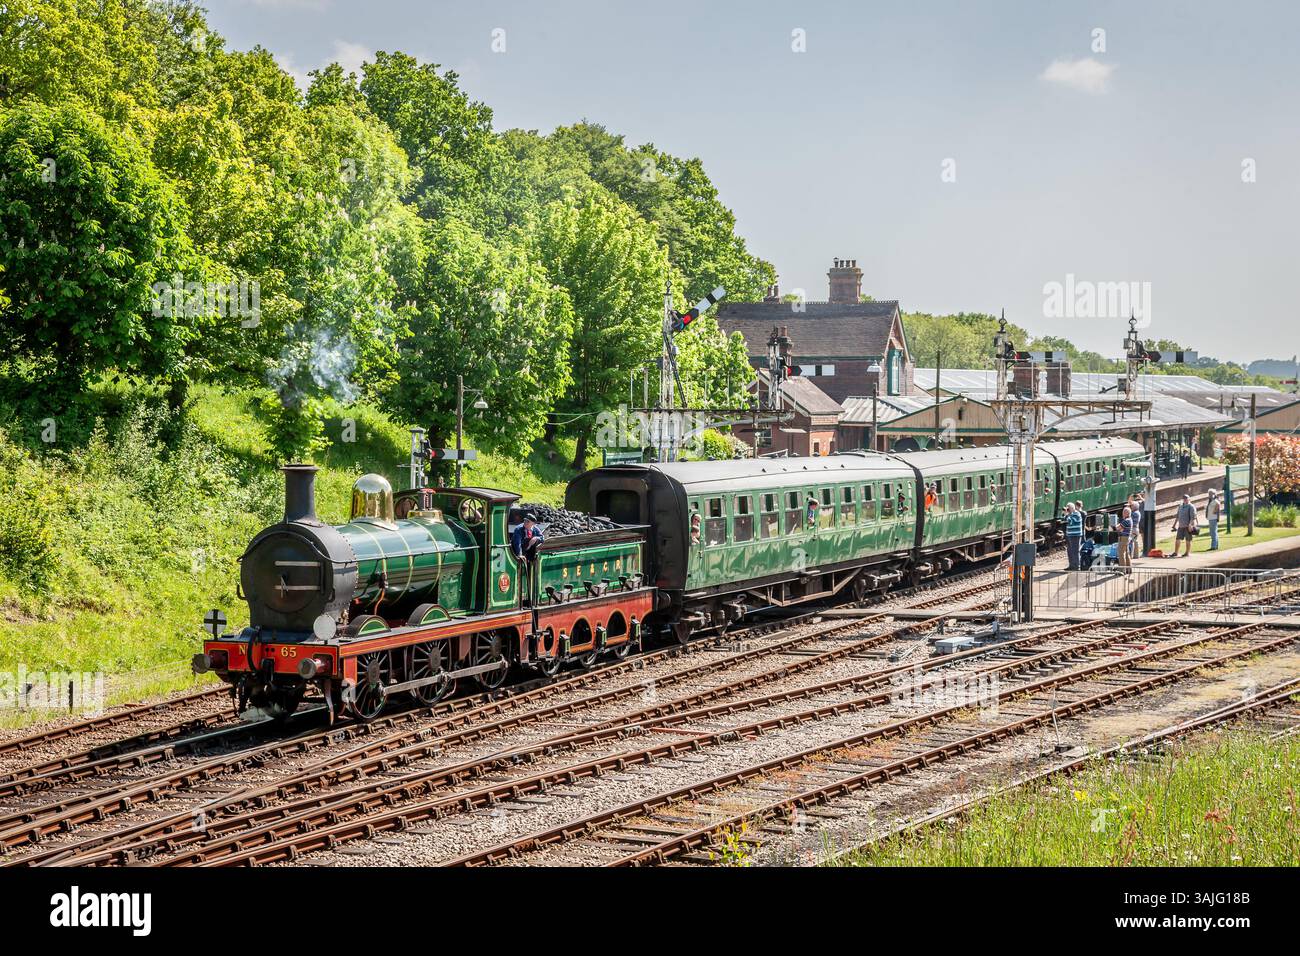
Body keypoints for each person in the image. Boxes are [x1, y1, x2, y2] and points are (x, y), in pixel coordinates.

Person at [1170, 493, 1198, 558]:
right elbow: (1177, 516)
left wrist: (1190, 525)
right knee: (1177, 539)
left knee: (1188, 540)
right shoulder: (1180, 506)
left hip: (1187, 526)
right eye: (1184, 498)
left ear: (1189, 499)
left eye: (1186, 498)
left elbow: (1193, 517)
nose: (1185, 500)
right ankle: (1176, 552)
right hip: (1181, 526)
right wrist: (1174, 525)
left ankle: (1187, 553)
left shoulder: (1191, 506)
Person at [1064, 502, 1083, 570]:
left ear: (1072, 508)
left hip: (1076, 535)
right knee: (1070, 550)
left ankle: (1077, 566)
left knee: (1075, 550)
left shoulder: (1077, 514)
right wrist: (1066, 514)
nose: (1068, 510)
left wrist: (1067, 515)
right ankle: (1071, 565)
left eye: (1068, 508)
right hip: (1070, 534)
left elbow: (1071, 522)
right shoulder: (1071, 514)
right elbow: (1064, 520)